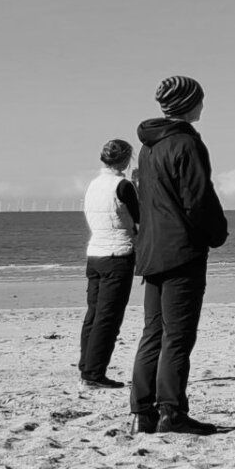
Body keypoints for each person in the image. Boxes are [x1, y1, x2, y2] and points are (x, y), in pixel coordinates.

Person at [131, 75, 229, 436]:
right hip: (180, 251)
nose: (203, 104)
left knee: (153, 333)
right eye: (199, 99)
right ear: (187, 103)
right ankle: (171, 412)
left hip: (152, 249)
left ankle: (142, 412)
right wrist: (217, 233)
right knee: (177, 335)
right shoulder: (185, 143)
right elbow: (198, 198)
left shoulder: (149, 145)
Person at [78, 138, 139, 390]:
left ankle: (87, 368)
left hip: (95, 253)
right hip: (117, 253)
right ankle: (94, 373)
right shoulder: (122, 186)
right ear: (125, 160)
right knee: (108, 318)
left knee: (93, 314)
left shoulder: (93, 184)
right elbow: (139, 217)